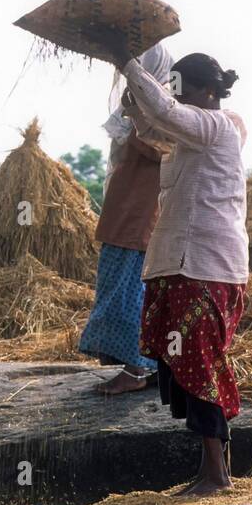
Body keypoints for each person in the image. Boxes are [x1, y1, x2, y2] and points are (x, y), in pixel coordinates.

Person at [91, 30, 248, 496]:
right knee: (177, 360)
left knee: (198, 362)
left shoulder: (218, 127)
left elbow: (165, 112)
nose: (176, 95)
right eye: (173, 87)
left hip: (206, 266)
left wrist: (128, 63)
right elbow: (153, 125)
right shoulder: (189, 137)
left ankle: (217, 474)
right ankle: (209, 470)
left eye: (182, 88)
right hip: (180, 264)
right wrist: (133, 100)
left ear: (209, 92)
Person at [79, 42, 172, 395]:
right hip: (126, 211)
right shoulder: (141, 106)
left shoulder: (164, 109)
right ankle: (141, 367)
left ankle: (137, 370)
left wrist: (138, 119)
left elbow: (160, 148)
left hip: (140, 214)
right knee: (120, 286)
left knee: (130, 292)